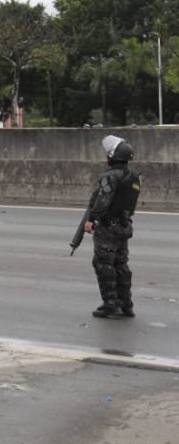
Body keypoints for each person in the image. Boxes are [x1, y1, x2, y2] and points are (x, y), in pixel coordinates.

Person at [84, 135, 141, 319]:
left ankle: (111, 304)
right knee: (120, 264)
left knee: (103, 264)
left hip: (109, 227)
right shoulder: (133, 177)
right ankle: (126, 304)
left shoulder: (110, 176)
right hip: (124, 226)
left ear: (113, 156)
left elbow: (103, 201)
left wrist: (91, 219)